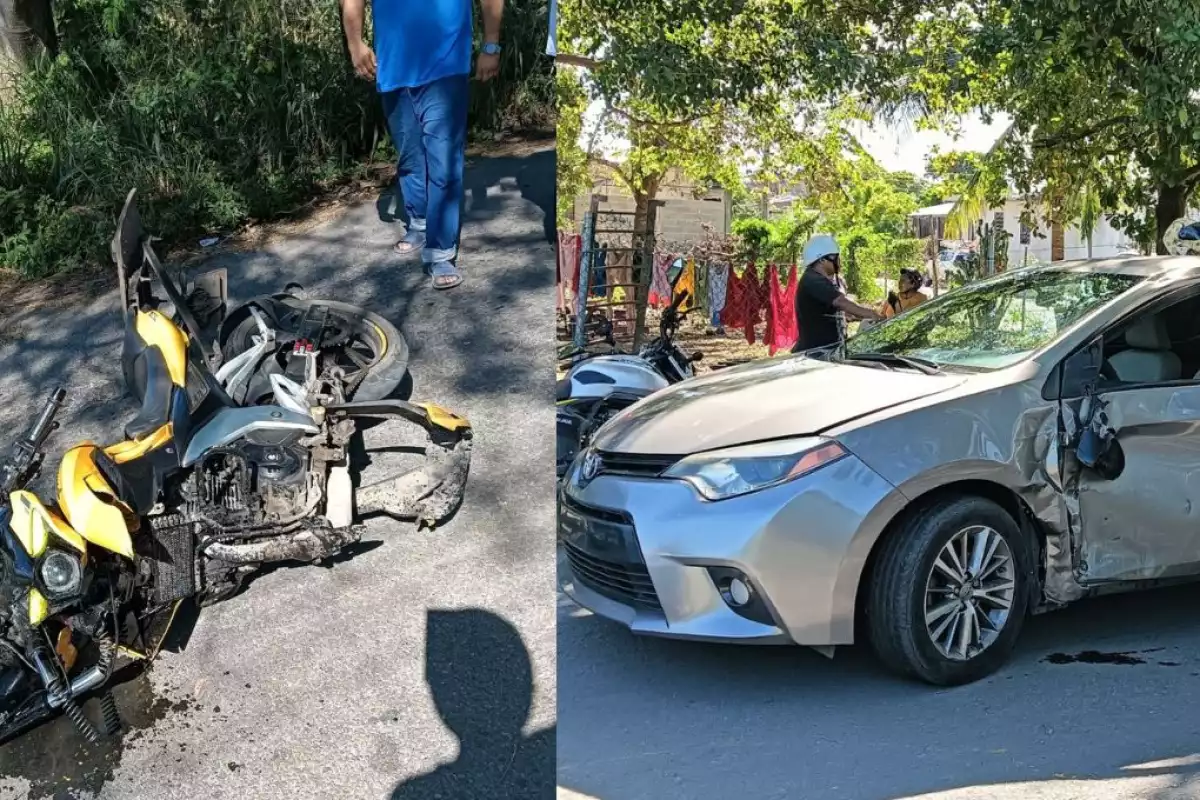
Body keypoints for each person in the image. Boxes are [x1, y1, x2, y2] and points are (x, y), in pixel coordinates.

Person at [341, 0, 504, 290]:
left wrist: (491, 45)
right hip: (394, 67)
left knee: (444, 160)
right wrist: (355, 43)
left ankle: (441, 251)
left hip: (447, 65)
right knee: (409, 156)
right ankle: (419, 221)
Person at [792, 234, 882, 353]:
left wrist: (854, 315)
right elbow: (840, 301)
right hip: (816, 353)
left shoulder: (820, 279)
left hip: (827, 350)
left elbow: (838, 309)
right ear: (822, 260)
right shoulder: (813, 280)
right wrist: (871, 313)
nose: (839, 261)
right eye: (835, 257)